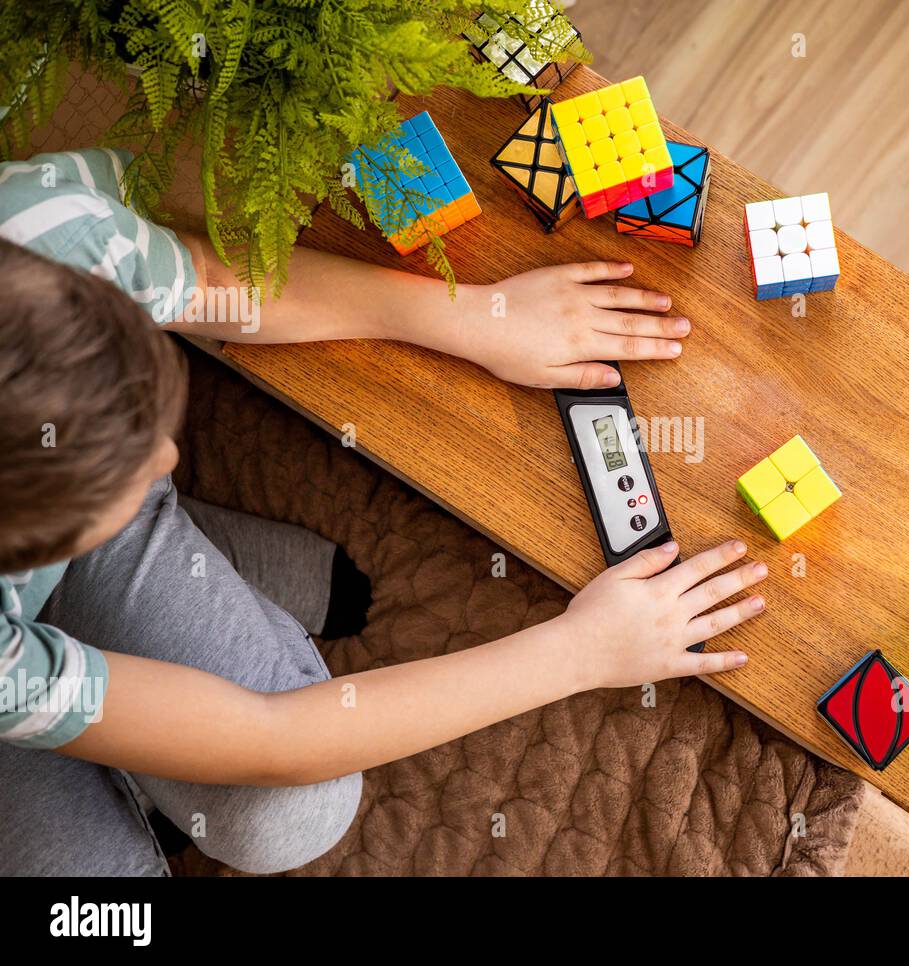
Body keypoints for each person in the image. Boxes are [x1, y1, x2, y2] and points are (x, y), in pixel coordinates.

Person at [0, 148, 768, 876]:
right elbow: (274, 738)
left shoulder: (38, 234)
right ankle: (116, 726)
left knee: (282, 809)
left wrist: (476, 315)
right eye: (127, 474)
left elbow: (204, 276)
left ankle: (132, 581)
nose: (170, 455)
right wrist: (582, 652)